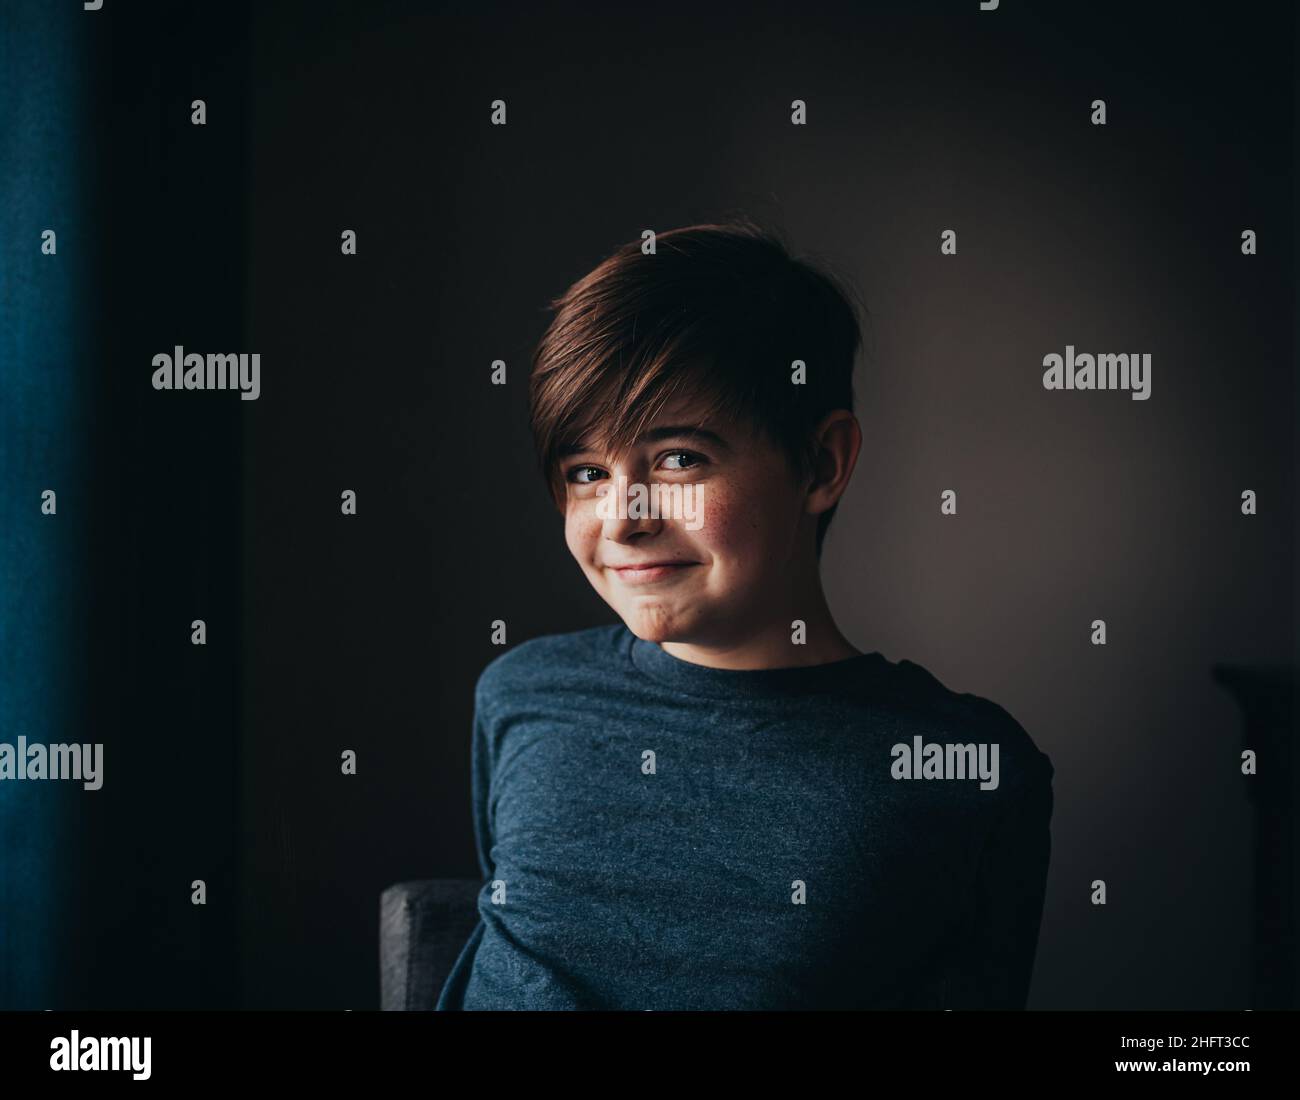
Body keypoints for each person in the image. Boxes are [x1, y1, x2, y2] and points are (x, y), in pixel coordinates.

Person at [435, 219, 1054, 1010]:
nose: (622, 519)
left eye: (678, 459)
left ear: (821, 463)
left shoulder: (964, 767)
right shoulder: (521, 693)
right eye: (587, 471)